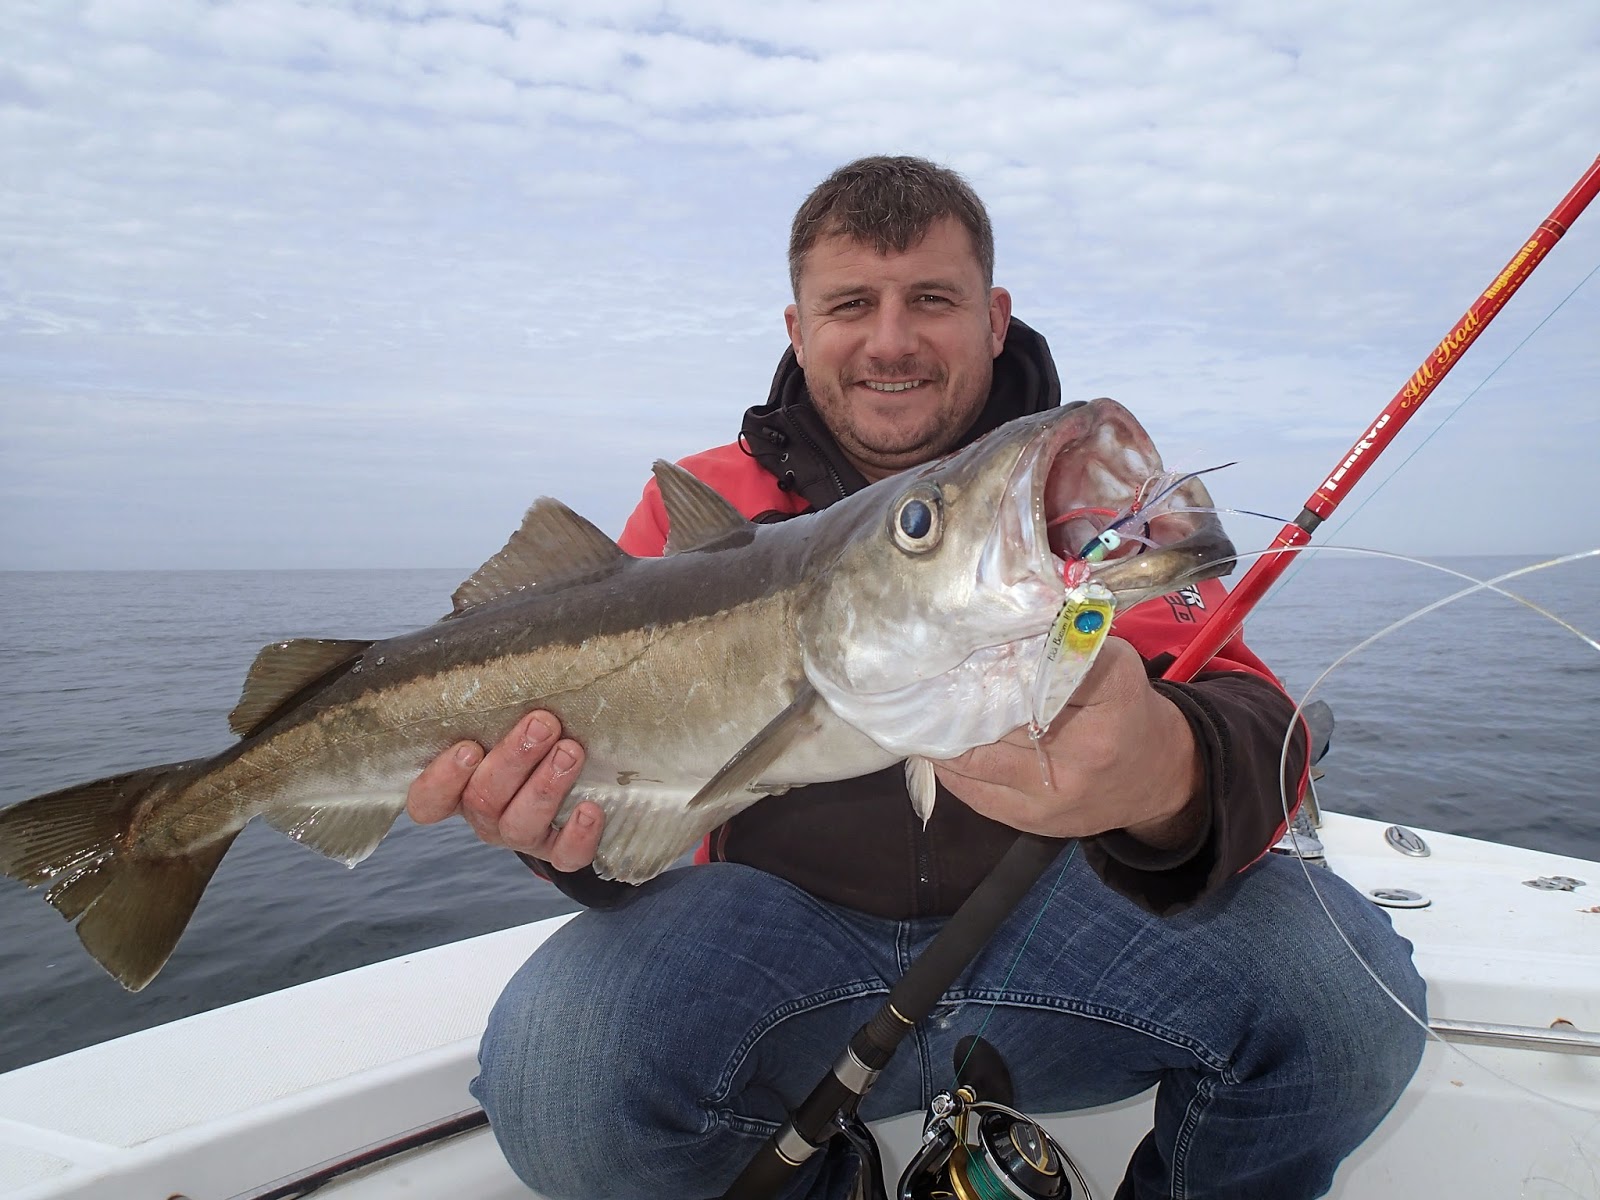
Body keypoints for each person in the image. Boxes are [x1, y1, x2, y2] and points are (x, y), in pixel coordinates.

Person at [407, 156, 1427, 1199]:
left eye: (930, 300)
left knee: (1344, 1006)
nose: (889, 340)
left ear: (993, 318)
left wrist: (1172, 772)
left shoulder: (1068, 496)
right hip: (774, 931)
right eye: (851, 304)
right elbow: (625, 812)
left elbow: (1253, 716)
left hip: (1068, 915)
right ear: (797, 328)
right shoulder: (698, 513)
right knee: (555, 1078)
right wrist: (555, 839)